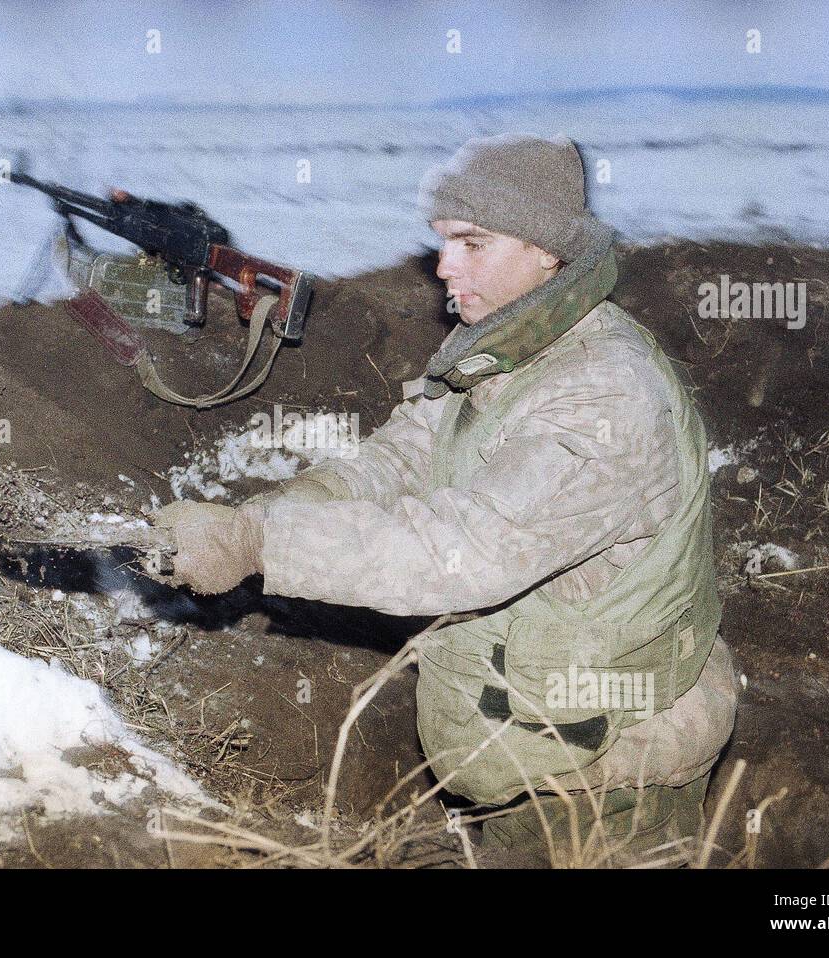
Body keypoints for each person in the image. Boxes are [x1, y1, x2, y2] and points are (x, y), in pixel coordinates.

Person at [154, 134, 739, 860]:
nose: (443, 266)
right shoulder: (510, 347)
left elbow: (465, 549)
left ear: (547, 250)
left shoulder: (603, 395)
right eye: (442, 241)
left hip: (610, 768)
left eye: (472, 243)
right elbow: (402, 457)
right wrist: (266, 516)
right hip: (545, 737)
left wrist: (259, 546)